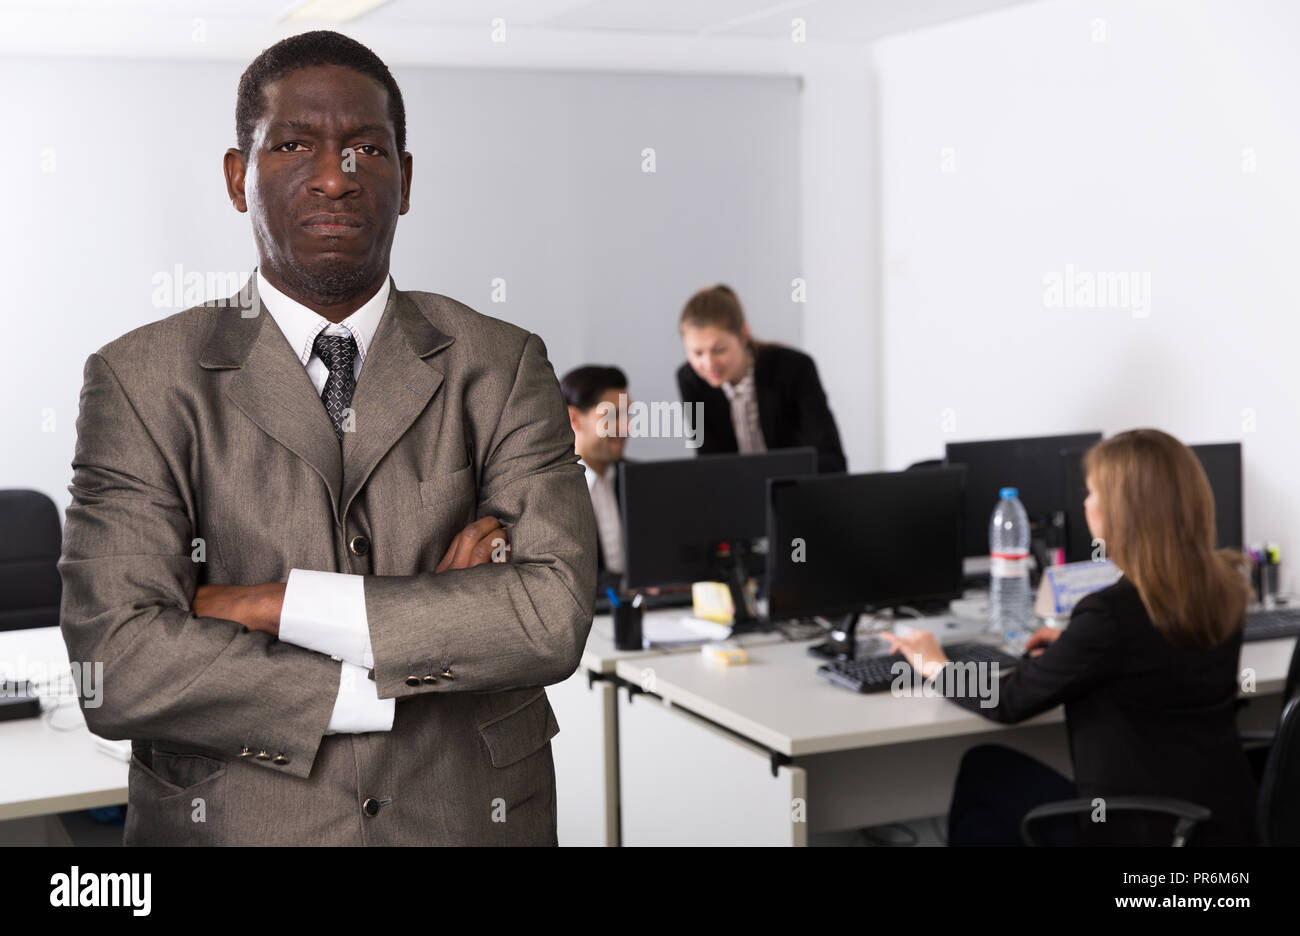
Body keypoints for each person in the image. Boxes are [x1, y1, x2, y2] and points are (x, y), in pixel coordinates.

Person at [57, 30, 597, 845]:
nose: (334, 177)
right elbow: (119, 668)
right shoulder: (141, 380)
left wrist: (266, 606)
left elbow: (551, 616)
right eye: (294, 144)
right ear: (239, 179)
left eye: (367, 149)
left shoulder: (504, 363)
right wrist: (423, 638)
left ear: (405, 181)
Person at [882, 429, 1257, 846]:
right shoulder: (1228, 588)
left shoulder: (1110, 614)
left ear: (1124, 512)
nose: (1084, 503)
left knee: (983, 767)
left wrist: (935, 665)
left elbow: (1006, 701)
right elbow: (1150, 661)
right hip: (1218, 824)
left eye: (1094, 493)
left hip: (1130, 830)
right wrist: (1074, 650)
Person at [676, 284, 847, 473]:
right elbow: (709, 465)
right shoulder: (691, 380)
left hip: (797, 492)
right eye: (697, 353)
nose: (708, 364)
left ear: (743, 335)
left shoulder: (794, 368)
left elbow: (831, 460)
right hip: (736, 497)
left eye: (719, 350)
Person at [561, 365, 629, 602]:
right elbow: (568, 575)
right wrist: (625, 586)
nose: (627, 428)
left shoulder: (643, 480)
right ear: (573, 418)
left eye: (628, 415)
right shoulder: (551, 491)